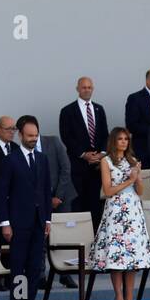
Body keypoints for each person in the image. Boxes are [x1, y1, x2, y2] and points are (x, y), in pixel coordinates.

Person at [85, 128, 150, 300]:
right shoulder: (106, 161)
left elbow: (140, 191)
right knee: (117, 257)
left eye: (126, 139)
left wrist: (137, 176)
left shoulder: (132, 160)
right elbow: (107, 191)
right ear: (113, 141)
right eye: (120, 139)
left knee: (132, 259)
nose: (123, 142)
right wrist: (129, 180)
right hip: (115, 211)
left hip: (133, 211)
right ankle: (119, 299)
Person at [0, 115, 53, 300]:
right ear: (20, 135)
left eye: (35, 136)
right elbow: (2, 194)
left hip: (39, 223)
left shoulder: (42, 159)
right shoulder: (10, 160)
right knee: (18, 267)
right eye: (29, 135)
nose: (33, 139)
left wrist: (47, 219)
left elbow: (46, 192)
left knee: (34, 267)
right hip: (18, 224)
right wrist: (5, 223)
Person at [59, 77, 110, 229]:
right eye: (84, 87)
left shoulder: (99, 109)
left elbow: (104, 134)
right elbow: (66, 136)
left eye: (89, 87)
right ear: (77, 89)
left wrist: (101, 153)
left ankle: (94, 237)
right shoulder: (68, 111)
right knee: (78, 202)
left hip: (97, 166)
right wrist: (83, 154)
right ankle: (80, 235)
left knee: (95, 203)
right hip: (78, 165)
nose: (87, 90)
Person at [124, 68, 150, 166]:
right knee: (147, 180)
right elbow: (131, 125)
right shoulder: (135, 98)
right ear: (148, 81)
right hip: (145, 151)